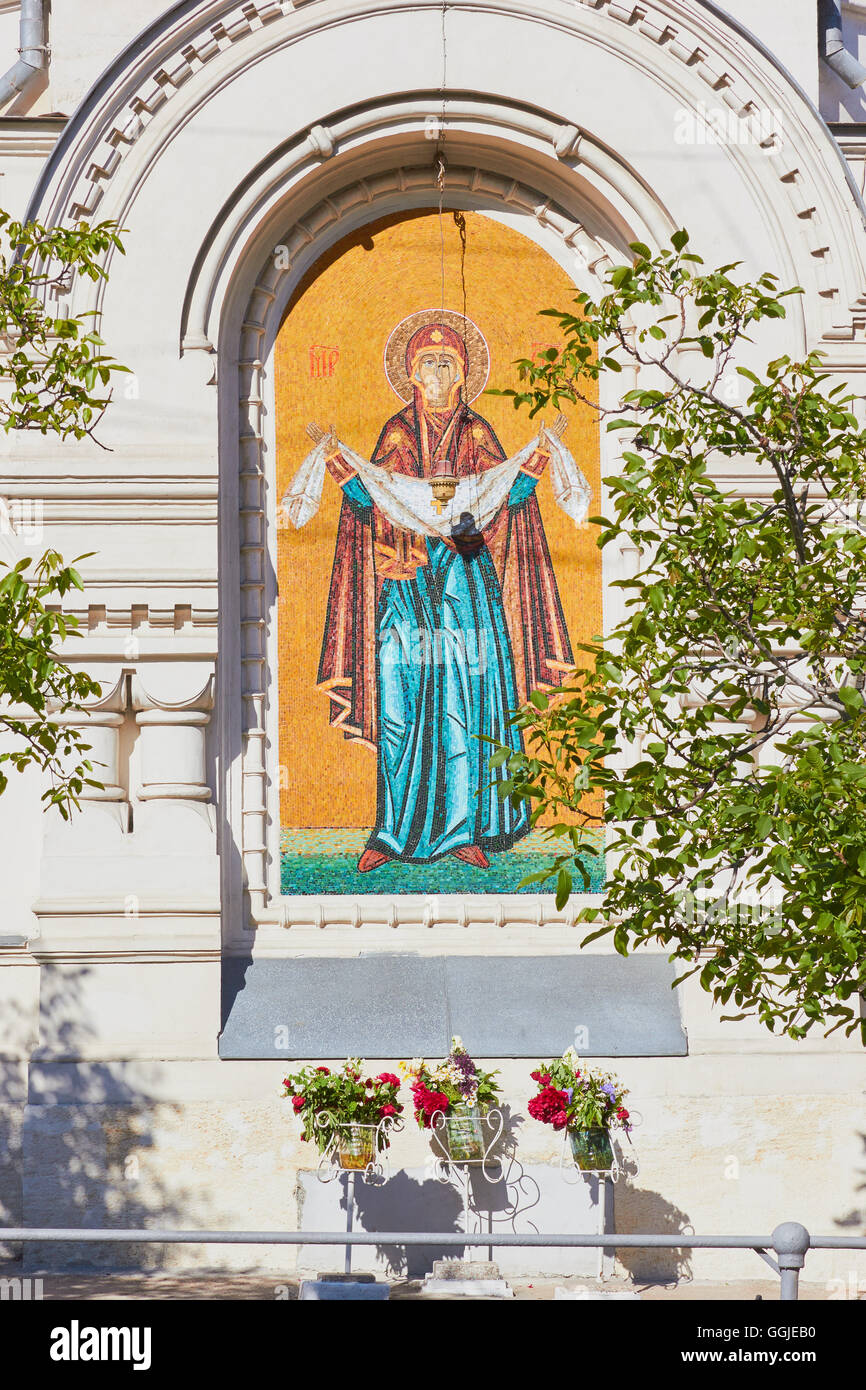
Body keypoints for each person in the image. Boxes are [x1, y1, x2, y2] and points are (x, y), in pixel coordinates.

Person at [300, 315, 584, 872]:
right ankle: (391, 834)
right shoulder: (397, 435)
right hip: (403, 587)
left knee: (458, 705)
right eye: (426, 362)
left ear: (461, 376)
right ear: (409, 373)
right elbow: (369, 506)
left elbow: (507, 505)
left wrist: (538, 458)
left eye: (446, 362)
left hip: (461, 585)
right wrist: (339, 464)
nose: (435, 371)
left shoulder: (477, 435)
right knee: (399, 705)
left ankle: (461, 832)